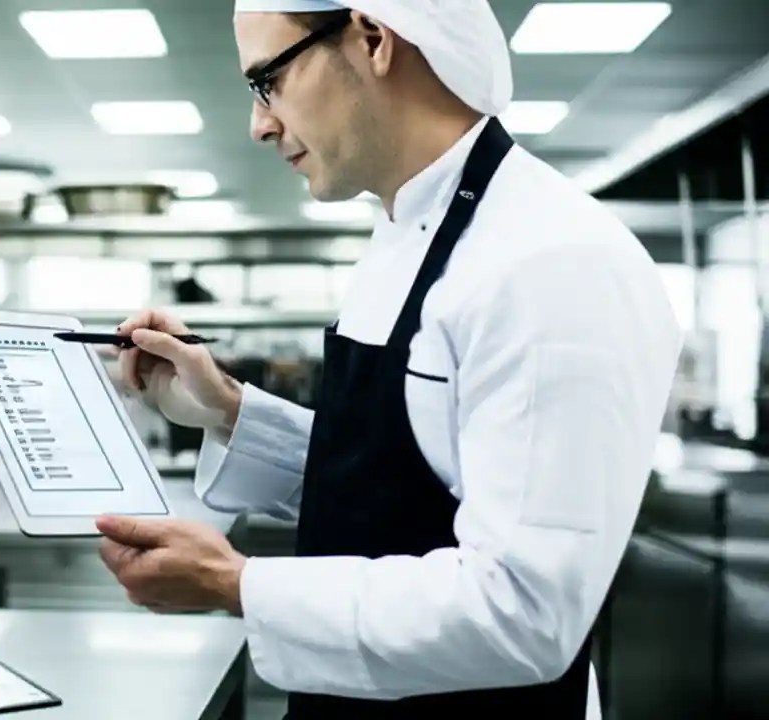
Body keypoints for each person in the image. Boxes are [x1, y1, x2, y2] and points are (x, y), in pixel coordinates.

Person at [94, 1, 684, 718]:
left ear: (372, 38)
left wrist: (237, 584)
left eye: (267, 82)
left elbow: (524, 612)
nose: (259, 124)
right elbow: (397, 495)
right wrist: (227, 407)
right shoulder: (404, 232)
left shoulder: (551, 259)